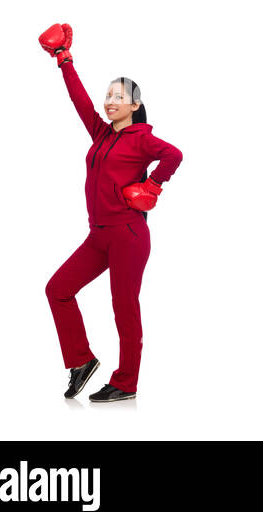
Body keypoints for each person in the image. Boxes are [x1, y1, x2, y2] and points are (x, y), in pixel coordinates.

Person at [39, 23, 183, 402]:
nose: (110, 101)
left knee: (123, 307)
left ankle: (126, 383)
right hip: (98, 235)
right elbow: (80, 101)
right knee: (58, 290)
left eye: (119, 97)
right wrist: (64, 60)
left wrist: (152, 187)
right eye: (109, 95)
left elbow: (174, 155)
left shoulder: (142, 138)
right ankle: (81, 361)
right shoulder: (102, 135)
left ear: (135, 105)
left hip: (128, 235)